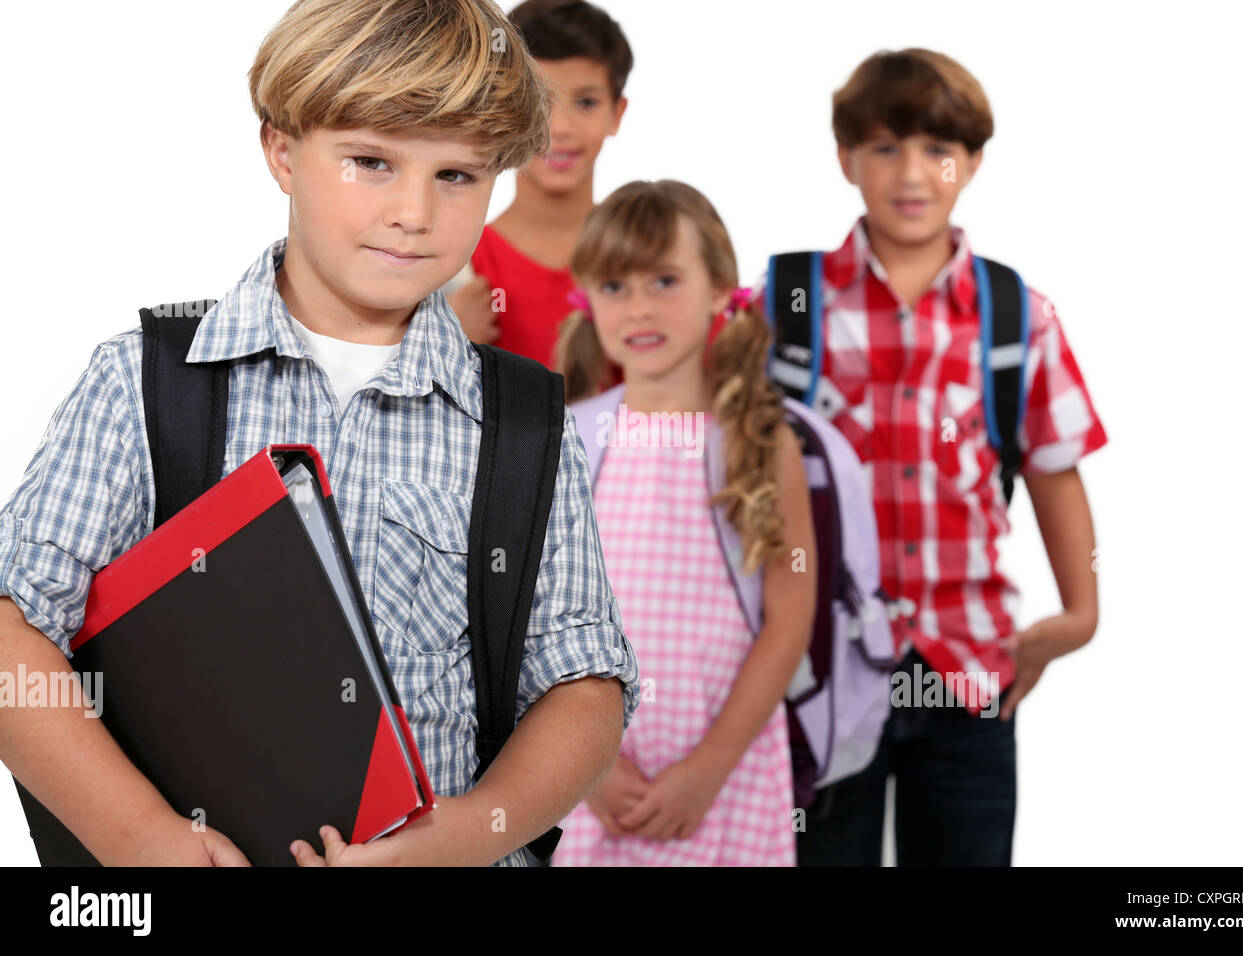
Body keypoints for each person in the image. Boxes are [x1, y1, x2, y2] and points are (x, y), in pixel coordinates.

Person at [0, 0, 638, 868]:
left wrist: (467, 831)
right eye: (371, 162)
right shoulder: (144, 384)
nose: (414, 211)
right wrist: (140, 836)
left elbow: (584, 680)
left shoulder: (523, 421)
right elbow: (11, 626)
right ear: (282, 151)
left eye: (457, 176)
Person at [756, 48, 1107, 866]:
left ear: (973, 162)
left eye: (938, 150)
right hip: (819, 668)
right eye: (884, 147)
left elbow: (1054, 467)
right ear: (845, 158)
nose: (911, 174)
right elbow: (725, 463)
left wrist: (1079, 615)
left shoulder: (1015, 312)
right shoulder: (786, 300)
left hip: (969, 663)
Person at [550, 180, 816, 866]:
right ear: (588, 301)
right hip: (597, 782)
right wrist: (590, 772)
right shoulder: (570, 438)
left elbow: (790, 618)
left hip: (728, 776)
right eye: (614, 287)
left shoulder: (759, 440)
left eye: (664, 279)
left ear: (721, 287)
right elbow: (534, 627)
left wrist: (709, 768)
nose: (639, 307)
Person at [446, 0, 630, 384]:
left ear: (616, 114)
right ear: (506, 109)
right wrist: (450, 340)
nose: (560, 127)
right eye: (541, 101)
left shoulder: (641, 252)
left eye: (586, 102)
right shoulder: (456, 260)